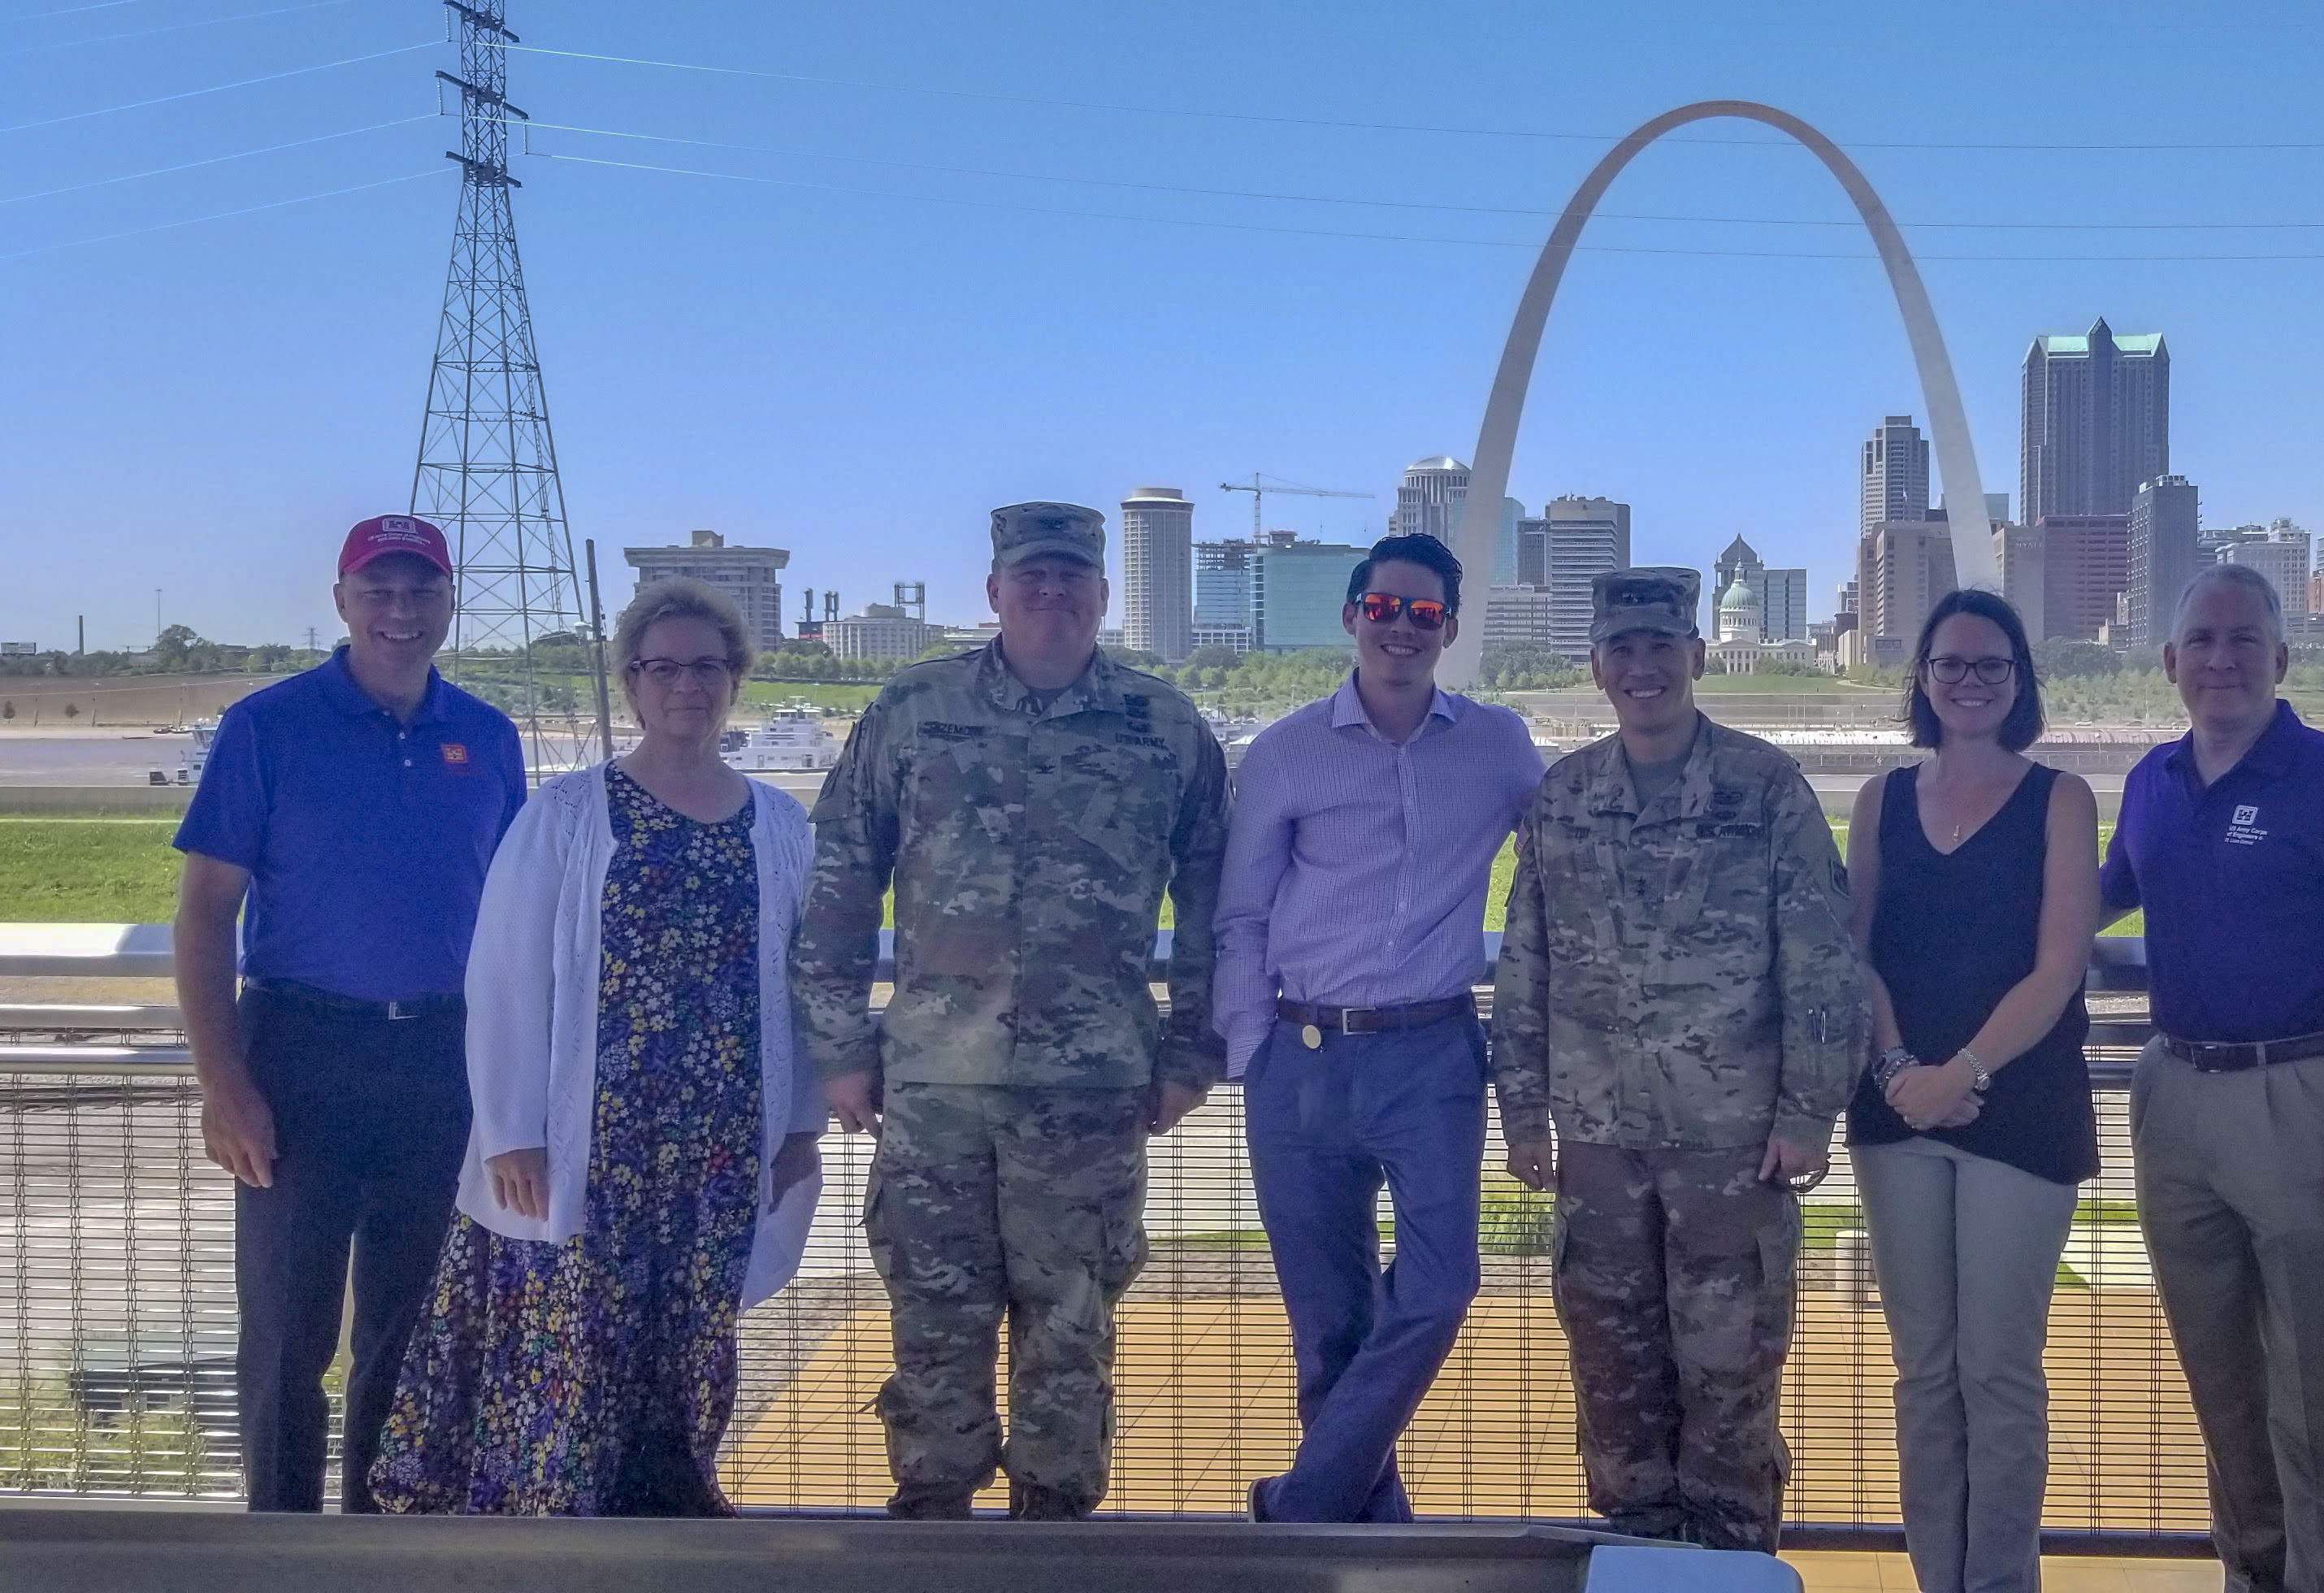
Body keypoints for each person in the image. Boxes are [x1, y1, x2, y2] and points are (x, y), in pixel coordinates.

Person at [793, 501, 1229, 1521]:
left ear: (1103, 597)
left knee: (1071, 1322)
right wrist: (838, 1045)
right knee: (935, 1315)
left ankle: (1056, 1523)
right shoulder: (913, 710)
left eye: (1071, 576)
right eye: (1031, 575)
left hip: (1093, 1085)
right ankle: (936, 1514)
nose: (1051, 593)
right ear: (993, 591)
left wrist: (1189, 1048)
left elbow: (1217, 902)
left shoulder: (1161, 725)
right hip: (935, 1082)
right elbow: (842, 882)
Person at [367, 577, 826, 1515]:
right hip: (593, 1143)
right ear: (632, 681)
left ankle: (666, 1529)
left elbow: (804, 986)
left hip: (718, 1148)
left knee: (689, 1347)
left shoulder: (778, 823)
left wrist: (801, 1126)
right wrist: (510, 1131)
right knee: (573, 1348)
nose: (686, 686)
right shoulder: (571, 815)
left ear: (735, 678)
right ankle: (554, 1540)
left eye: (708, 666)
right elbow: (503, 978)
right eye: (664, 667)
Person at [1491, 566, 1865, 1552]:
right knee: (1615, 1390)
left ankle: (1732, 1565)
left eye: (1663, 646)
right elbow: (1525, 963)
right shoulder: (1563, 798)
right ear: (1598, 666)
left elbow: (1822, 964)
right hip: (1600, 1150)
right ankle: (1637, 1561)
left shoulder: (1764, 789)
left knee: (1729, 1385)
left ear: (1698, 656)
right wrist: (1523, 1114)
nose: (1643, 667)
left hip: (1730, 1150)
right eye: (1623, 649)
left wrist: (1805, 1114)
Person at [171, 514, 526, 1512]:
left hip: (442, 1063)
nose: (399, 612)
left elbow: (512, 926)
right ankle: (282, 1549)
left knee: (410, 1335)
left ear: (450, 605)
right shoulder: (268, 727)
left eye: (421, 592)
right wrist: (223, 1081)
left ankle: (384, 1546)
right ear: (341, 600)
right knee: (288, 1332)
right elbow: (204, 915)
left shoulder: (487, 739)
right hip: (300, 1054)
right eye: (378, 590)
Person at [2101, 562, 2324, 1593]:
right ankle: (2254, 1575)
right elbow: (2081, 907)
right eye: (2202, 640)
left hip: (2309, 1102)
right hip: (2176, 1099)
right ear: (2169, 663)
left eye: (2244, 640)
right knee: (2225, 1392)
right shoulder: (2152, 782)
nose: (2222, 658)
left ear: (2281, 660)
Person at [1215, 532, 1544, 1523]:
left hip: (1432, 1053)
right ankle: (1371, 1540)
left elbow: (1576, 852)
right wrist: (1249, 1052)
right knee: (1332, 1327)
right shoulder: (1284, 752)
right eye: (1386, 609)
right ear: (1353, 614)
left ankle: (1305, 1503)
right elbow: (1241, 914)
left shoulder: (1499, 745)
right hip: (1300, 1057)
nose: (1403, 628)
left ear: (1449, 627)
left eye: (1426, 613)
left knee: (1442, 1287)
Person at [1845, 590, 2099, 1593]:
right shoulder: (1879, 799)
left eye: (1991, 665)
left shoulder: (2062, 798)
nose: (1970, 681)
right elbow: (1855, 951)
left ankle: (1999, 1584)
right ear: (1922, 677)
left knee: (1998, 1375)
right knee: (1923, 1375)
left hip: (2020, 1112)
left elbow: (2058, 967)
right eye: (1951, 663)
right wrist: (1903, 1069)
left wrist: (1964, 1072)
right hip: (1895, 1111)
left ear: (2020, 680)